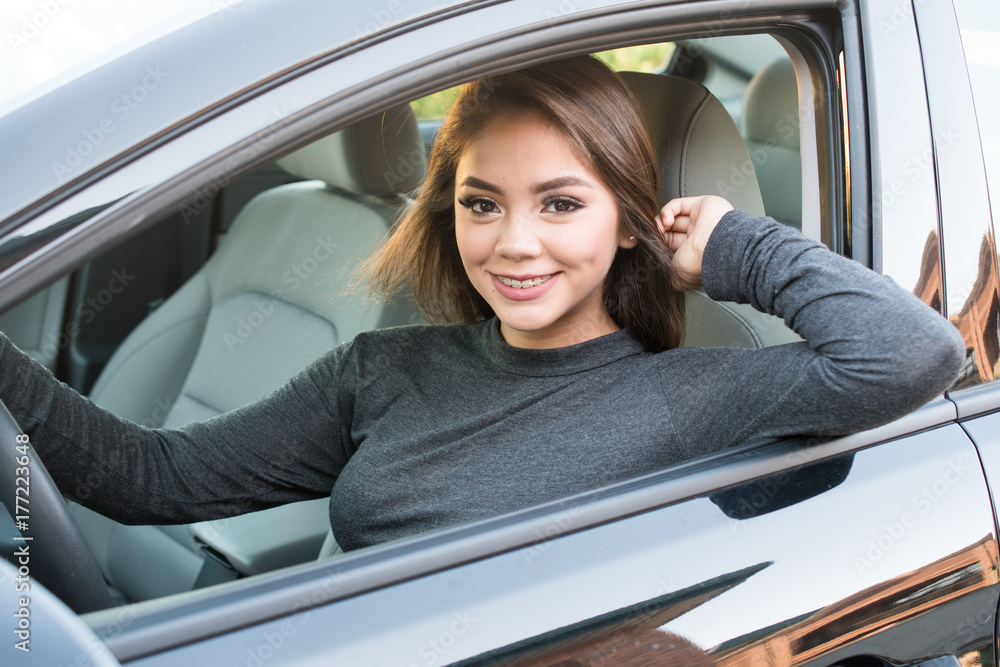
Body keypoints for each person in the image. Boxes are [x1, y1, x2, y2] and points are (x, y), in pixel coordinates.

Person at [0, 55, 964, 555]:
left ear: (630, 221)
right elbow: (154, 478)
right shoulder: (385, 370)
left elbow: (914, 352)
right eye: (480, 204)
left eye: (561, 203)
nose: (514, 243)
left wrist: (735, 245)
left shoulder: (694, 398)